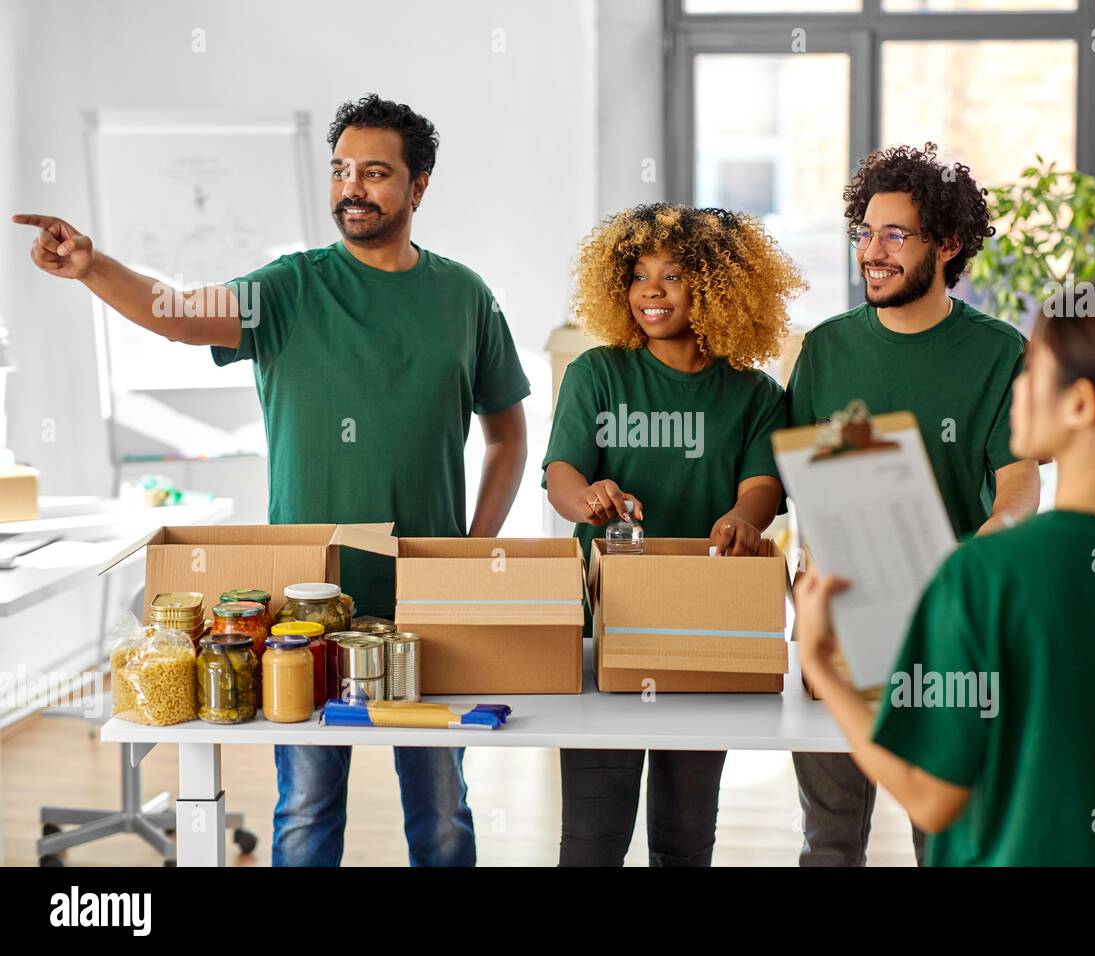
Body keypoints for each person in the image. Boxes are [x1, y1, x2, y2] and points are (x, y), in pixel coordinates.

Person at [14, 94, 531, 867]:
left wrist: (471, 551)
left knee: (444, 809)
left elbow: (507, 436)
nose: (351, 188)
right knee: (307, 809)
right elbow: (180, 314)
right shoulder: (290, 287)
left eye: (375, 172)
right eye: (340, 170)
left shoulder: (465, 298)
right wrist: (94, 267)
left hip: (425, 602)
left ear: (418, 186)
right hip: (305, 607)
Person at [795, 283, 1095, 865]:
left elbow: (932, 800)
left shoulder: (987, 575)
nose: (1016, 387)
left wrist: (820, 665)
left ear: (1081, 404)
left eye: (1034, 370)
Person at [786, 142, 1041, 866]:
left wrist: (990, 541)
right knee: (828, 842)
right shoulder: (825, 350)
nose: (873, 250)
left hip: (948, 629)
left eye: (896, 234)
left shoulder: (999, 353)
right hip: (839, 626)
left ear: (949, 244)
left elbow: (1019, 477)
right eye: (865, 232)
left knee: (949, 838)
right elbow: (793, 481)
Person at [543, 203, 805, 866]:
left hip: (705, 630)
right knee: (592, 839)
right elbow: (562, 476)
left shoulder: (754, 395)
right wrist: (591, 496)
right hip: (608, 625)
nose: (651, 290)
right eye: (637, 276)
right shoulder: (596, 373)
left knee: (686, 837)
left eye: (674, 275)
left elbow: (763, 487)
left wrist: (744, 518)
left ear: (720, 287)